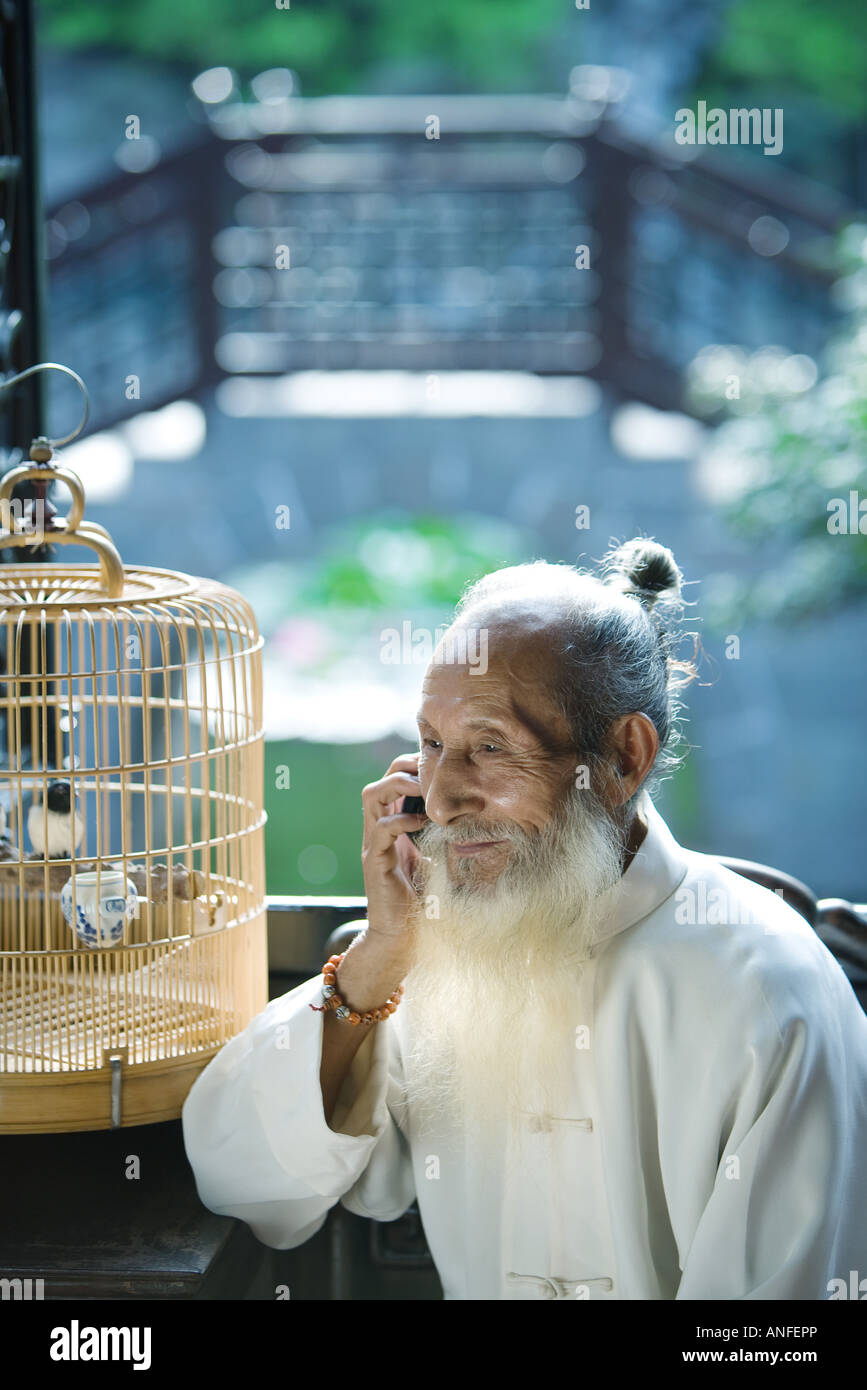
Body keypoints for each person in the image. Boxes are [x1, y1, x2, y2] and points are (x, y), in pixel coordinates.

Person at [182, 538, 867, 1300]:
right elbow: (247, 1186)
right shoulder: (449, 956)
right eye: (432, 745)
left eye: (489, 746)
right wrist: (382, 951)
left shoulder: (768, 992)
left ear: (622, 757)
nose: (439, 800)